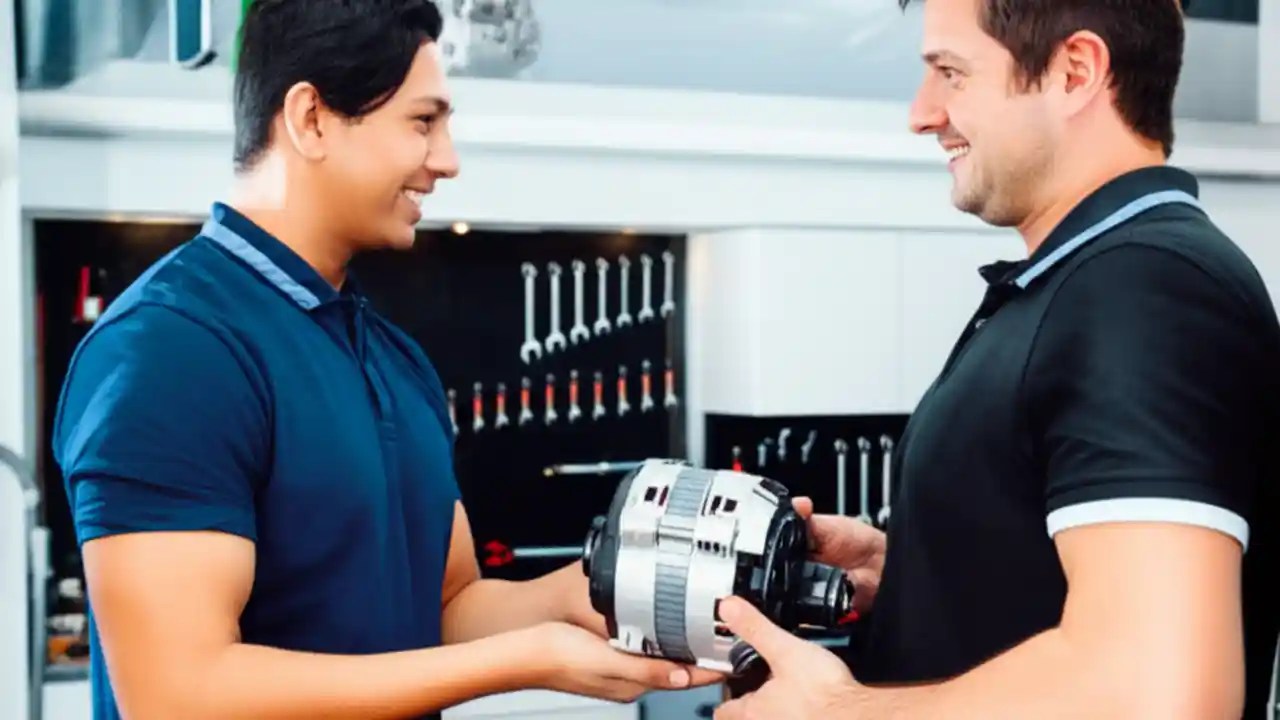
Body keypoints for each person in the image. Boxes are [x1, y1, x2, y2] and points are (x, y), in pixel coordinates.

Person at [51, 2, 720, 719]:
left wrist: (598, 593)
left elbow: (447, 605)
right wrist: (529, 661)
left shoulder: (393, 360)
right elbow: (179, 694)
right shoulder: (170, 350)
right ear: (311, 119)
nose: (447, 159)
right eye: (423, 121)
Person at [714, 0, 1280, 718]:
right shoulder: (1085, 283)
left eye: (951, 73)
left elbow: (1159, 688)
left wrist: (839, 712)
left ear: (1076, 71)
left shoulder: (1143, 288)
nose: (922, 114)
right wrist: (913, 575)